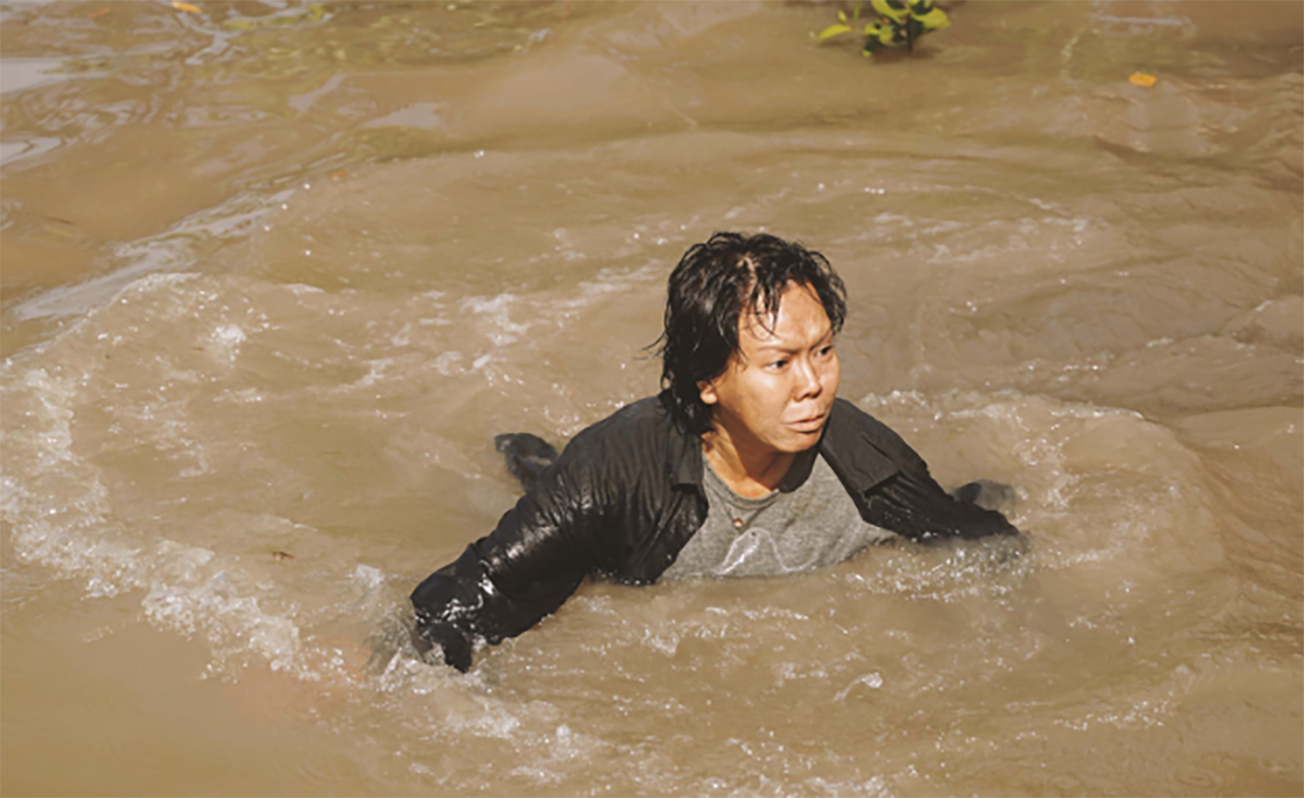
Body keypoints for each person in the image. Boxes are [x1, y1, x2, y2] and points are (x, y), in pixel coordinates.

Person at [411, 232, 1019, 672]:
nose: (813, 384)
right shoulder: (610, 476)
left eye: (824, 351)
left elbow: (984, 540)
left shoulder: (870, 467)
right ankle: (532, 459)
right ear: (707, 379)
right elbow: (469, 598)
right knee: (549, 495)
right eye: (779, 363)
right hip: (606, 507)